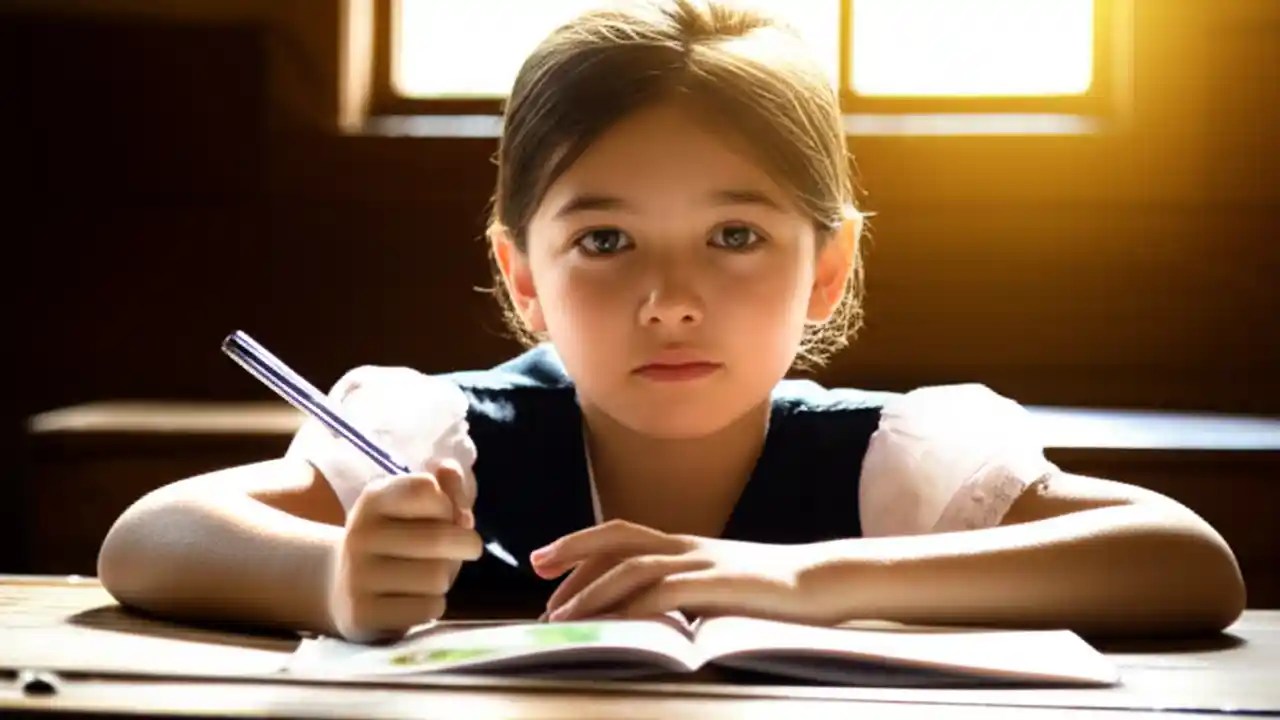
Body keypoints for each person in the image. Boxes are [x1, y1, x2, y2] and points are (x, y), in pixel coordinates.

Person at [98, 0, 1245, 643]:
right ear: (522, 275)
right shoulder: (445, 435)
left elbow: (1186, 565)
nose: (671, 298)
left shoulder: (888, 464)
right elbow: (148, 537)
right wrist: (332, 583)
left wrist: (801, 580)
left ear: (826, 270)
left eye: (735, 237)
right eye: (603, 242)